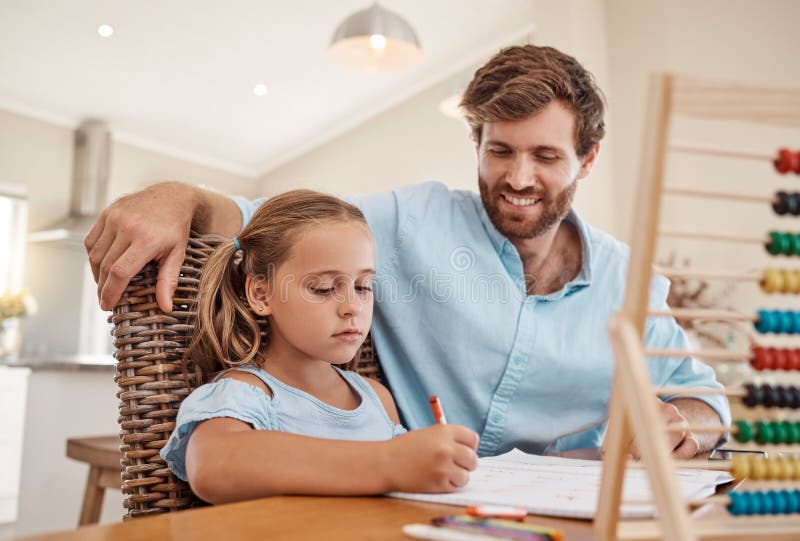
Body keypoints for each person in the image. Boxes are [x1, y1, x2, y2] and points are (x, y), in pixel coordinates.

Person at [86, 44, 731, 461]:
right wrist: (179, 196)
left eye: (546, 156)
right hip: (427, 512)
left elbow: (706, 401)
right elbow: (269, 223)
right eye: (500, 150)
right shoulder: (408, 221)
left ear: (587, 160)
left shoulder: (629, 280)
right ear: (476, 144)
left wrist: (683, 424)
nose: (519, 178)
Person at [158, 189, 479, 504]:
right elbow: (215, 466)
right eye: (324, 288)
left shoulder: (375, 397)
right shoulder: (245, 395)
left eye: (363, 286)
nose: (352, 306)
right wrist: (389, 462)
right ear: (261, 294)